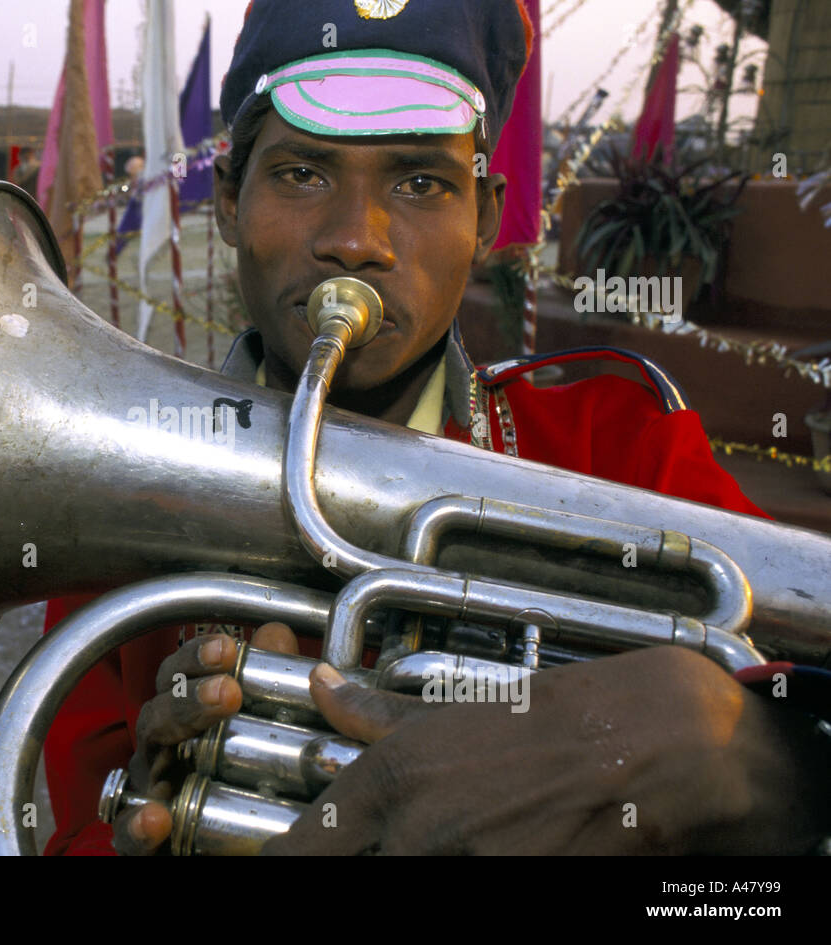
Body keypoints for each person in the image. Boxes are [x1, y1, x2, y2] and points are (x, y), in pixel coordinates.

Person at [42, 0, 831, 855]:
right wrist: (151, 825)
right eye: (302, 173)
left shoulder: (622, 453)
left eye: (420, 183)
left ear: (485, 216)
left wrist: (760, 754)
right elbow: (71, 820)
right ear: (229, 200)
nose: (356, 240)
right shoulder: (120, 496)